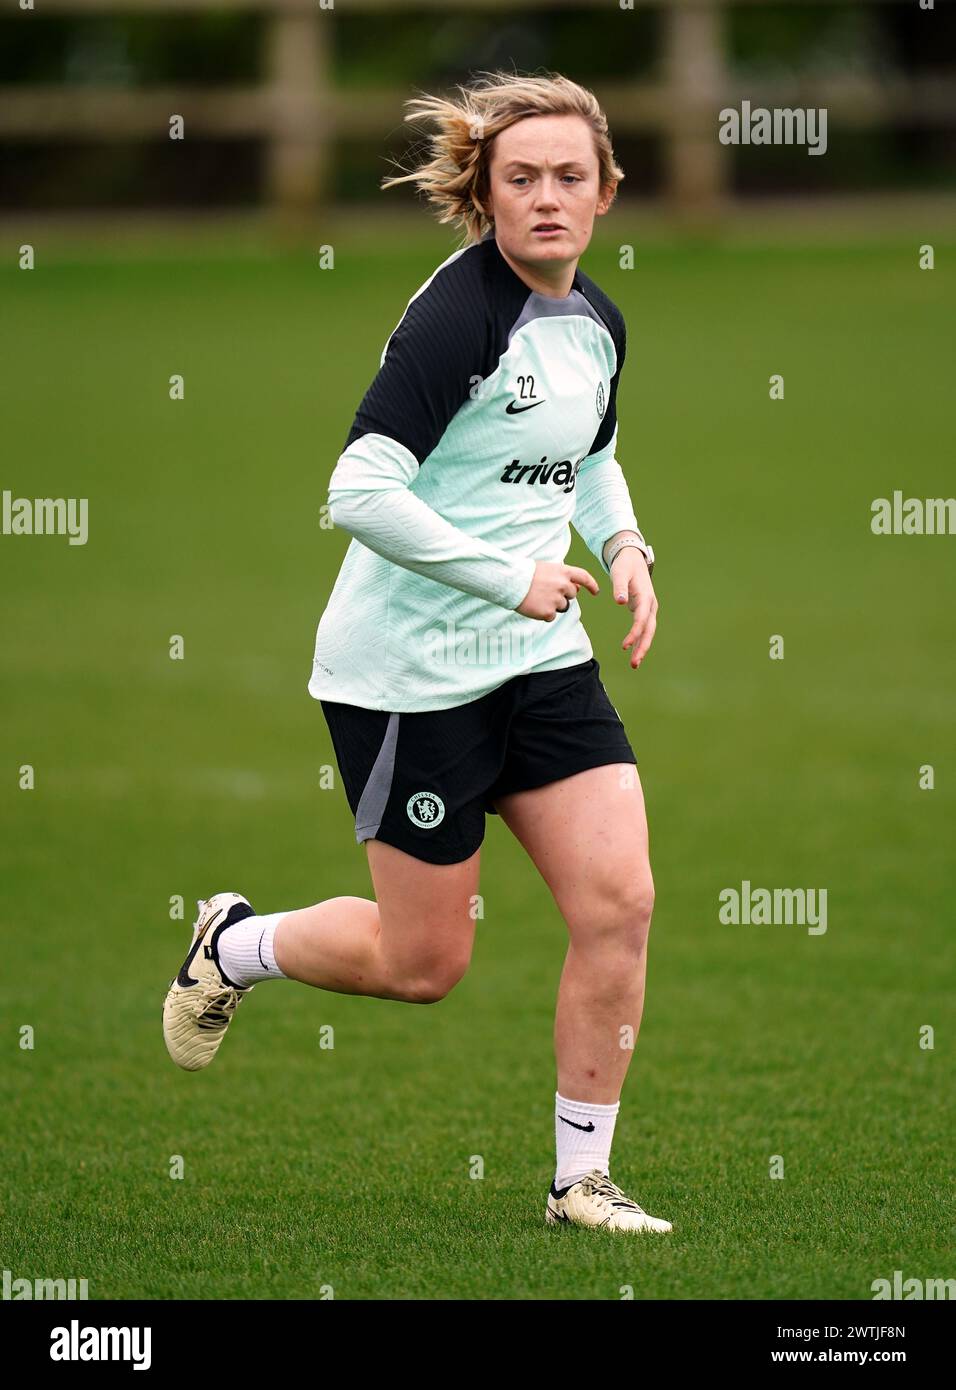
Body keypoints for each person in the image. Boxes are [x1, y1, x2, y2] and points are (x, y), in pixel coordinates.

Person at [163, 70, 670, 1235]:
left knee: (619, 903)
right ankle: (234, 944)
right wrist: (509, 574)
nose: (547, 198)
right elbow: (357, 489)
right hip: (408, 676)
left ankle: (577, 1180)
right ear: (486, 195)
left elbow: (587, 449)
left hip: (539, 661)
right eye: (521, 179)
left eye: (568, 177)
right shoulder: (461, 314)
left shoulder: (593, 318)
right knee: (421, 962)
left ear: (605, 191)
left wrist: (625, 541)